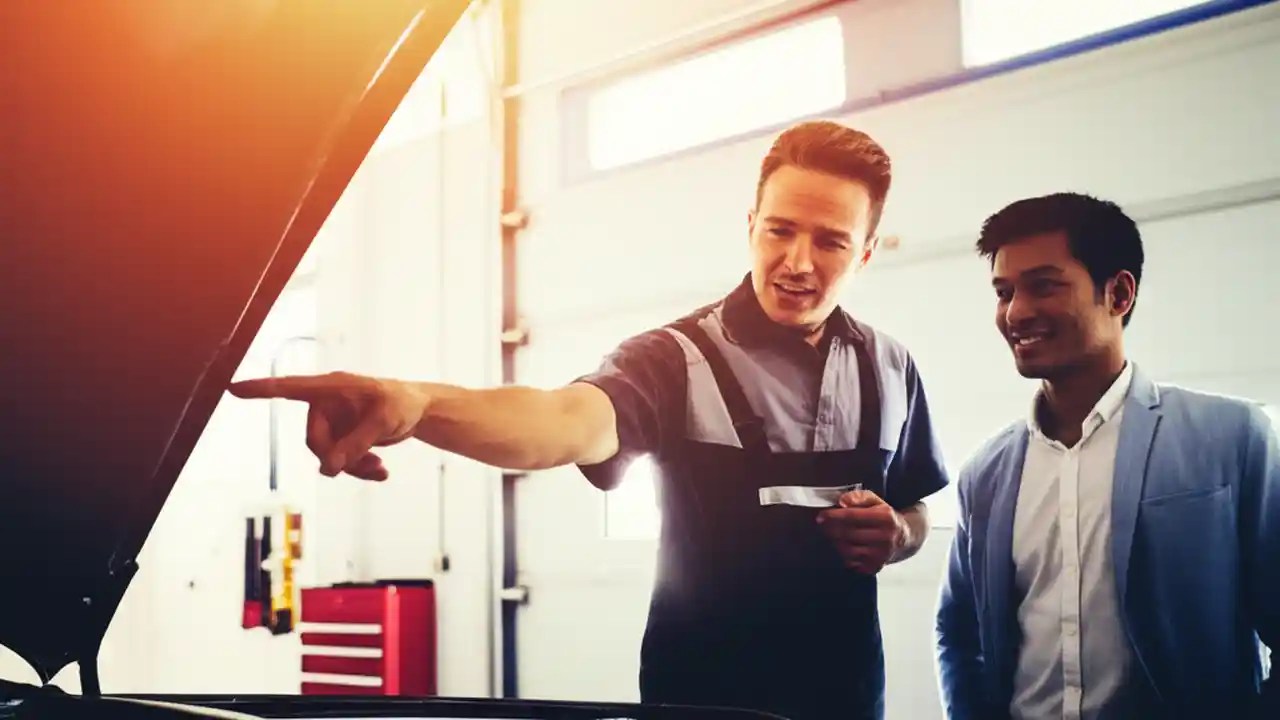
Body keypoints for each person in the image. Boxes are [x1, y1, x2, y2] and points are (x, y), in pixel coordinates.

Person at [230, 120, 951, 720]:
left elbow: (917, 508)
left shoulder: (891, 366)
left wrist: (899, 533)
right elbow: (560, 421)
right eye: (779, 231)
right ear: (750, 227)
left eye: (829, 242)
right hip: (699, 703)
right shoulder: (675, 359)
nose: (797, 262)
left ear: (865, 251)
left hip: (847, 700)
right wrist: (421, 404)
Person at [934, 192, 1279, 720]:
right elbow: (959, 632)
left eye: (1043, 285)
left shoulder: (1232, 437)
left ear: (1118, 293)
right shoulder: (986, 472)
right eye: (1004, 293)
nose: (1016, 312)